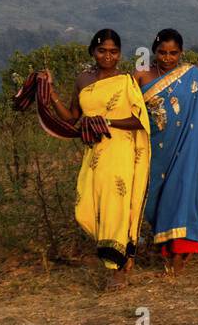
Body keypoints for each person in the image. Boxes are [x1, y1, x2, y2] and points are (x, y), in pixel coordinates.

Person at [44, 29, 151, 290]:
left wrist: (108, 121)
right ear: (93, 51)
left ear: (120, 54)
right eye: (102, 50)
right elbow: (71, 116)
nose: (108, 56)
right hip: (94, 153)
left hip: (121, 153)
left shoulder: (126, 81)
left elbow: (140, 120)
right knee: (86, 210)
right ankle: (122, 249)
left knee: (115, 205)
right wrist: (49, 90)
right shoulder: (83, 79)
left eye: (113, 51)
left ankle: (116, 270)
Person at [134, 28, 198, 276]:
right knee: (156, 200)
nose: (167, 58)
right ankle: (166, 247)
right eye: (162, 53)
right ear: (154, 51)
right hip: (156, 150)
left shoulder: (192, 75)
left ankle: (178, 255)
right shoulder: (142, 76)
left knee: (180, 195)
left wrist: (196, 150)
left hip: (186, 150)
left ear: (182, 52)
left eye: (173, 53)